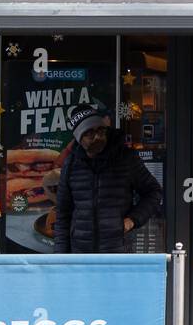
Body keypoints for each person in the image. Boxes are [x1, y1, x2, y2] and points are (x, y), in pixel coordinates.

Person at [54, 102, 162, 254]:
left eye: (101, 130)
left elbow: (154, 192)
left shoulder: (125, 158)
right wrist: (61, 258)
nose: (98, 137)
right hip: (80, 253)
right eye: (90, 133)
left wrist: (132, 220)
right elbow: (63, 213)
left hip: (118, 250)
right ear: (79, 137)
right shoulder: (71, 164)